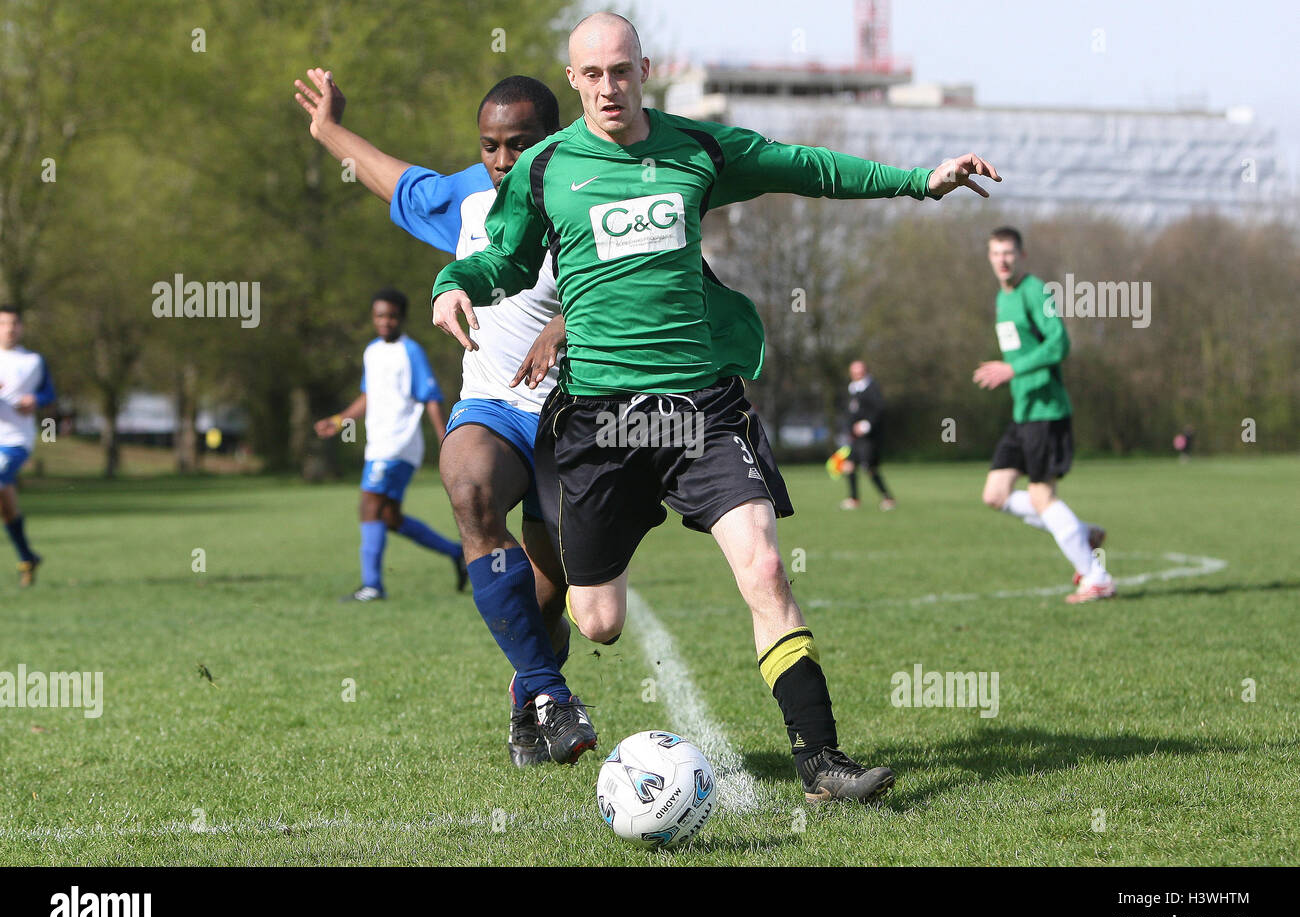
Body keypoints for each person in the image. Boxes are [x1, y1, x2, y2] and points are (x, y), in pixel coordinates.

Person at [433, 11, 1000, 803]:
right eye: (592, 75)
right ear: (574, 82)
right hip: (601, 422)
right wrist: (454, 284)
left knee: (766, 567)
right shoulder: (546, 169)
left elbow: (805, 166)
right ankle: (541, 681)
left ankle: (822, 764)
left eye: (622, 71)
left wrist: (918, 180)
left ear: (646, 69)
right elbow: (504, 258)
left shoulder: (696, 148)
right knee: (595, 620)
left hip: (701, 411)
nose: (609, 88)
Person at [296, 69, 595, 764]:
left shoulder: (592, 193)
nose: (500, 161)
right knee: (466, 485)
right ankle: (552, 695)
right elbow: (397, 181)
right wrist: (329, 129)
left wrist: (565, 329)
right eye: (489, 145)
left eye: (518, 144)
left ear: (553, 139)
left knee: (551, 597)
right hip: (492, 407)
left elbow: (638, 288)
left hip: (575, 419)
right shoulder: (471, 195)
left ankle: (529, 694)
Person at [974, 226, 1113, 603]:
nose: (1002, 260)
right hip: (1024, 412)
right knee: (995, 494)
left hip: (1047, 412)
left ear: (1021, 256)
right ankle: (1081, 532)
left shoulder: (1035, 291)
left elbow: (1060, 342)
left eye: (1009, 253)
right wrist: (1009, 369)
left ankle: (1095, 576)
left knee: (1041, 497)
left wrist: (1013, 370)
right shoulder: (1002, 299)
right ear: (989, 257)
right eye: (996, 253)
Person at [314, 288, 466, 602]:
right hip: (378, 442)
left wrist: (444, 440)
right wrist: (341, 420)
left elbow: (431, 398)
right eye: (380, 316)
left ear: (401, 318)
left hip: (398, 443)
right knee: (389, 517)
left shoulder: (410, 352)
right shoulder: (371, 352)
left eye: (392, 316)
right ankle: (457, 553)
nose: (385, 321)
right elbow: (369, 396)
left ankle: (372, 586)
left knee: (368, 506)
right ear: (374, 318)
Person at [0, 305, 56, 588]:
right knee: (6, 505)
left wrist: (35, 400)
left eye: (14, 324)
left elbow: (49, 392)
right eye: (4, 324)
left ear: (21, 328)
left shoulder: (33, 360)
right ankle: (27, 557)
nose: (9, 329)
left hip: (15, 441)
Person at [839, 359, 896, 511]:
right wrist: (847, 430)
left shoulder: (872, 388)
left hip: (869, 438)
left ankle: (888, 498)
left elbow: (879, 409)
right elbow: (849, 413)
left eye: (859, 370)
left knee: (869, 468)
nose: (856, 374)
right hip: (855, 438)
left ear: (865, 371)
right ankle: (854, 499)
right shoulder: (852, 389)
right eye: (854, 371)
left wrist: (866, 424)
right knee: (849, 466)